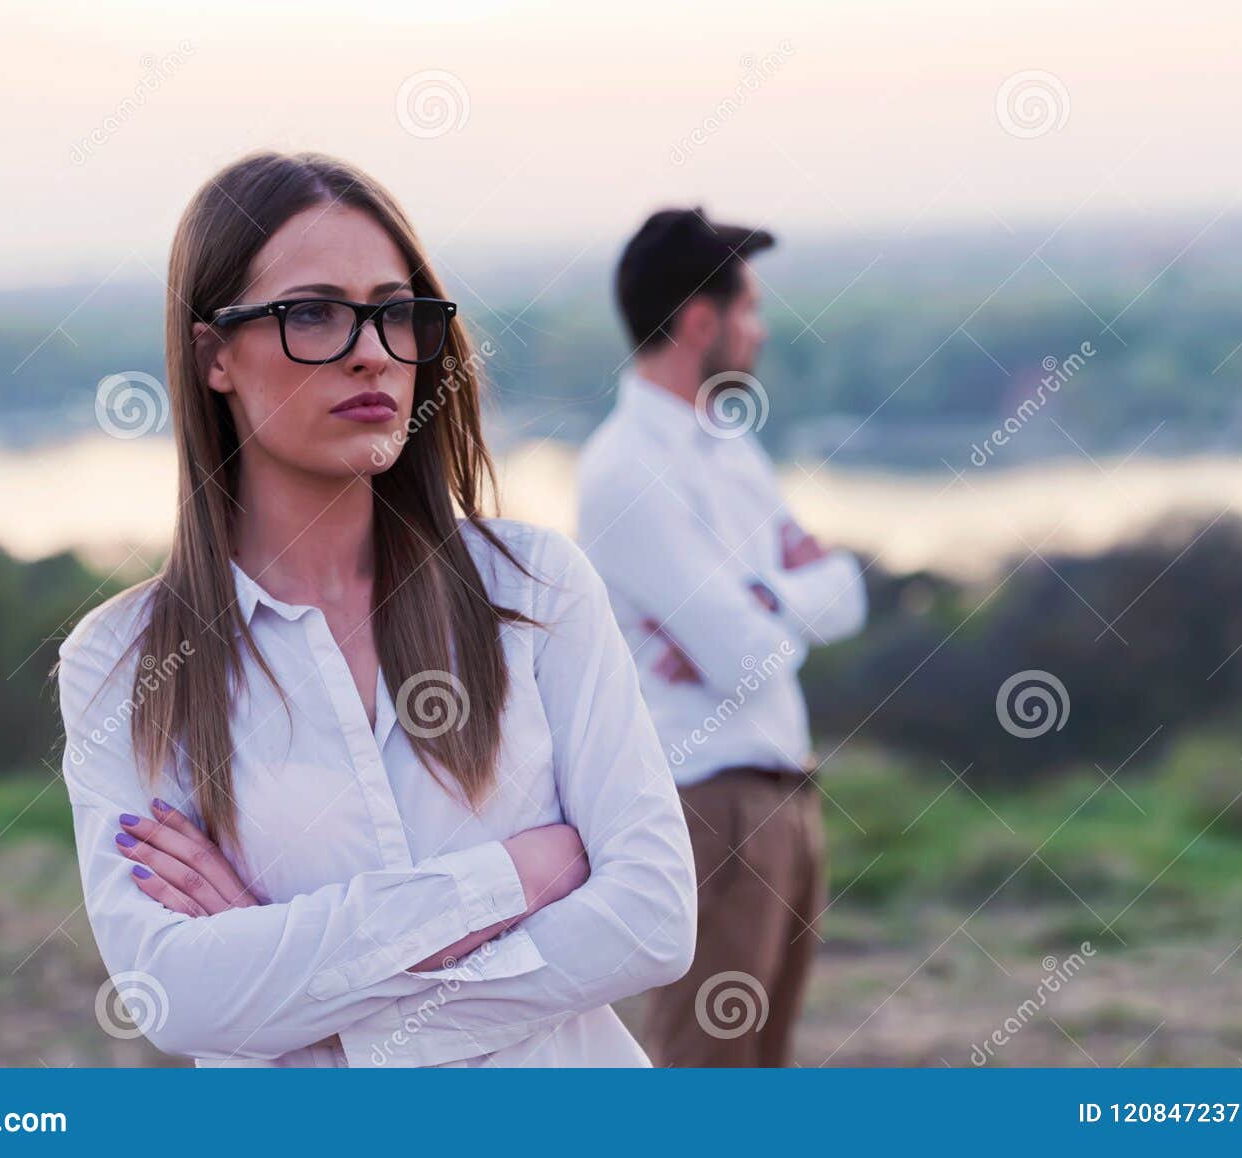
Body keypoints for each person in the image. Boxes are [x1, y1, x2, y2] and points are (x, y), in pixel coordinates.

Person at [54, 151, 696, 1068]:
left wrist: (323, 1014)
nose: (372, 349)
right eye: (312, 311)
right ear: (213, 355)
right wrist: (514, 877)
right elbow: (177, 994)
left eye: (397, 312)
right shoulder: (121, 660)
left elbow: (653, 918)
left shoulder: (534, 589)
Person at [576, 208, 868, 1066]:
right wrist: (777, 604)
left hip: (787, 795)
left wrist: (756, 596)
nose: (761, 331)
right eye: (748, 310)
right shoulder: (625, 468)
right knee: (706, 1071)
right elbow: (745, 658)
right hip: (710, 806)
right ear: (699, 322)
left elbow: (845, 591)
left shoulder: (730, 447)